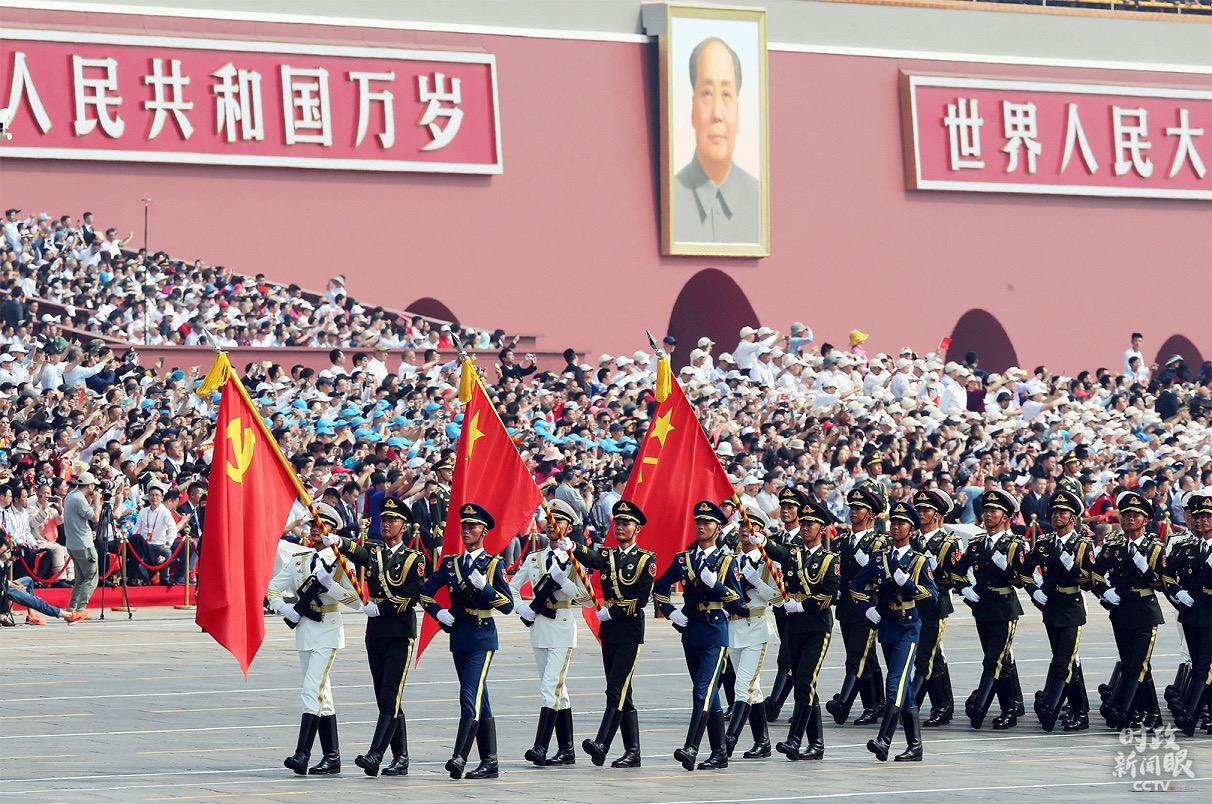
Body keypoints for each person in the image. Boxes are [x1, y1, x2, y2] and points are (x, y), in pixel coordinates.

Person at [324, 496, 425, 777]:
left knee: (391, 695)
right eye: (384, 520)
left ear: (404, 526)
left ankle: (375, 754)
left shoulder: (414, 559)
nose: (387, 524)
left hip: (399, 632)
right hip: (376, 632)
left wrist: (381, 607)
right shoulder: (376, 552)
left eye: (392, 520)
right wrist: (337, 539)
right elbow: (357, 551)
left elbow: (411, 595)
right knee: (385, 698)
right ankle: (401, 757)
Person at [265, 503, 365, 776]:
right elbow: (273, 586)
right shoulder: (300, 559)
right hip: (304, 630)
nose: (315, 532)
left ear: (333, 530)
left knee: (311, 690)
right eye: (312, 527)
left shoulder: (342, 563)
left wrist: (330, 584)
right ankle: (332, 757)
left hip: (328, 631)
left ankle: (302, 754)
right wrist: (284, 608)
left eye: (321, 527)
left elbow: (358, 601)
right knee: (323, 694)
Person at [419, 503, 514, 781]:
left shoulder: (493, 564)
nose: (467, 531)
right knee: (479, 699)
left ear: (484, 531)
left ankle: (459, 756)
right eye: (464, 526)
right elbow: (424, 593)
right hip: (459, 635)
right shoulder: (451, 563)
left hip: (483, 637)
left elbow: (507, 605)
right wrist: (440, 613)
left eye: (472, 526)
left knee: (468, 696)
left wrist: (485, 587)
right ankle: (490, 762)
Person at [654, 500, 748, 771]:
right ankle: (719, 752)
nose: (701, 526)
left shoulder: (727, 560)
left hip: (715, 632)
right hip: (691, 629)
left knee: (702, 691)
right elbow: (659, 588)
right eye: (698, 522)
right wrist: (671, 612)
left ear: (718, 527)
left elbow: (738, 603)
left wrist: (716, 585)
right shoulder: (683, 559)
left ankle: (691, 747)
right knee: (710, 695)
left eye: (706, 523)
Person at [566, 499, 656, 768]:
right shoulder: (608, 555)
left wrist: (613, 612)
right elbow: (592, 557)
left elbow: (640, 599)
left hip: (629, 629)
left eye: (626, 523)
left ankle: (602, 742)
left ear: (637, 528)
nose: (619, 527)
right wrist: (572, 546)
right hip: (610, 630)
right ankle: (633, 752)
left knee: (615, 688)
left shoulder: (646, 559)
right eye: (617, 522)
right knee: (623, 693)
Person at [850, 501, 938, 762]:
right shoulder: (880, 557)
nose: (896, 527)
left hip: (908, 628)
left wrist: (909, 585)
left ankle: (884, 739)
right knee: (905, 687)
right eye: (893, 523)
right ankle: (915, 746)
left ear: (911, 528)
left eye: (901, 523)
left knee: (895, 682)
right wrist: (867, 609)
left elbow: (932, 597)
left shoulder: (920, 561)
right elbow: (856, 585)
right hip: (886, 627)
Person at [510, 499, 592, 767]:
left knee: (549, 688)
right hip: (539, 628)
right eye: (549, 520)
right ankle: (567, 750)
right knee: (559, 691)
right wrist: (522, 608)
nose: (552, 525)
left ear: (569, 527)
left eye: (559, 521)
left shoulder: (573, 559)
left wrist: (564, 582)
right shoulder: (534, 559)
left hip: (562, 628)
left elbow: (589, 599)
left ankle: (540, 746)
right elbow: (511, 587)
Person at [762, 499, 839, 761]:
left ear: (821, 529)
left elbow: (831, 595)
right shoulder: (795, 552)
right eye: (803, 523)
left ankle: (795, 739)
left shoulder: (830, 559)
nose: (805, 527)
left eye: (811, 524)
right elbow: (779, 552)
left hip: (816, 627)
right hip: (794, 626)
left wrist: (804, 606)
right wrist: (761, 541)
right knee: (805, 684)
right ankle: (816, 744)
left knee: (804, 682)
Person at [673, 37, 760, 245]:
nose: (717, 114)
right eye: (707, 93)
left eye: (726, 94)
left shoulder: (761, 202)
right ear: (693, 109)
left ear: (738, 112)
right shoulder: (670, 198)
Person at [1091, 490, 1166, 731]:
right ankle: (1152, 713)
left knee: (1138, 665)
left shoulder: (1154, 548)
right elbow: (1095, 573)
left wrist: (1146, 570)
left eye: (1135, 515)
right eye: (1125, 515)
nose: (1128, 519)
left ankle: (1123, 712)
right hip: (1121, 609)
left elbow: (1163, 583)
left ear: (1145, 520)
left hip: (1145, 610)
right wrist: (1104, 590)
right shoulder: (1114, 545)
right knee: (1131, 662)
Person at [955, 488, 1028, 730]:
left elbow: (1020, 579)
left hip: (1004, 608)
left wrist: (1006, 567)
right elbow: (957, 570)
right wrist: (965, 588)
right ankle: (1010, 709)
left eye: (993, 510)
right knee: (1001, 661)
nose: (988, 514)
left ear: (1006, 517)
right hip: (982, 607)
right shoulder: (977, 543)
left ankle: (980, 708)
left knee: (993, 661)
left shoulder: (1014, 544)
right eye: (986, 510)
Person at [1024, 488, 1096, 732]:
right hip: (1051, 607)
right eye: (1055, 511)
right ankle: (1080, 710)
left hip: (1071, 607)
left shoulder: (1083, 544)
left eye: (1063, 512)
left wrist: (1072, 566)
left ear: (1073, 518)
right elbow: (1024, 570)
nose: (1057, 516)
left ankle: (1050, 709)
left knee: (1063, 661)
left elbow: (1088, 580)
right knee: (1068, 661)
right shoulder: (1044, 543)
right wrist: (1034, 591)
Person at [719, 506, 783, 759]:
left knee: (742, 686)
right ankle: (762, 742)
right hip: (733, 628)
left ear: (760, 531)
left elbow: (778, 599)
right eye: (743, 526)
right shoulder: (730, 559)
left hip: (756, 627)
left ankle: (729, 739)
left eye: (752, 527)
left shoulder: (769, 561)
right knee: (752, 688)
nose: (746, 531)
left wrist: (757, 582)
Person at [826, 485, 889, 727]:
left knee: (857, 657)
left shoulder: (880, 541)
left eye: (859, 508)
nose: (853, 511)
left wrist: (871, 567)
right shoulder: (841, 541)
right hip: (847, 607)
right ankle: (876, 703)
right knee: (867, 658)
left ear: (871, 514)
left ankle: (845, 703)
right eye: (851, 507)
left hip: (867, 606)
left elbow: (886, 576)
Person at [909, 488, 963, 728]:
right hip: (913, 604)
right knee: (934, 656)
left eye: (926, 510)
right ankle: (944, 706)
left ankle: (910, 706)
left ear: (939, 515)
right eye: (918, 509)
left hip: (936, 604)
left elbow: (954, 576)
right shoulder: (913, 539)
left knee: (925, 657)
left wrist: (933, 570)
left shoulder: (949, 542)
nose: (920, 514)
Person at [1162, 489, 1212, 736]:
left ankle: (1191, 715)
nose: (1201, 520)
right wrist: (1177, 592)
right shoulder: (1185, 548)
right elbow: (1167, 574)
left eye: (1207, 517)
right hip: (1191, 614)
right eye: (1198, 516)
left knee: (1204, 666)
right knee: (1199, 665)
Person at [763, 487, 807, 722]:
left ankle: (775, 703)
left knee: (789, 655)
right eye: (784, 507)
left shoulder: (806, 537)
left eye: (791, 507)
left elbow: (786, 556)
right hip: (780, 605)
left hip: (800, 606)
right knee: (793, 655)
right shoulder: (776, 538)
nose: (786, 511)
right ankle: (800, 703)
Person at [0, 535, 87, 624]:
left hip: (5, 584)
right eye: (4, 551)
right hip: (3, 589)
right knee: (37, 602)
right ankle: (68, 615)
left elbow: (3, 578)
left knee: (28, 580)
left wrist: (7, 564)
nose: (7, 553)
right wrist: (11, 584)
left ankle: (32, 615)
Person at [62, 472, 102, 615]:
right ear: (90, 485)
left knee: (80, 578)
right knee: (91, 577)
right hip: (83, 544)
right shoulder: (79, 499)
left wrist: (91, 502)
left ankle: (72, 607)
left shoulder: (70, 496)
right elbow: (96, 518)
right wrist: (97, 502)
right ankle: (81, 608)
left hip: (72, 544)